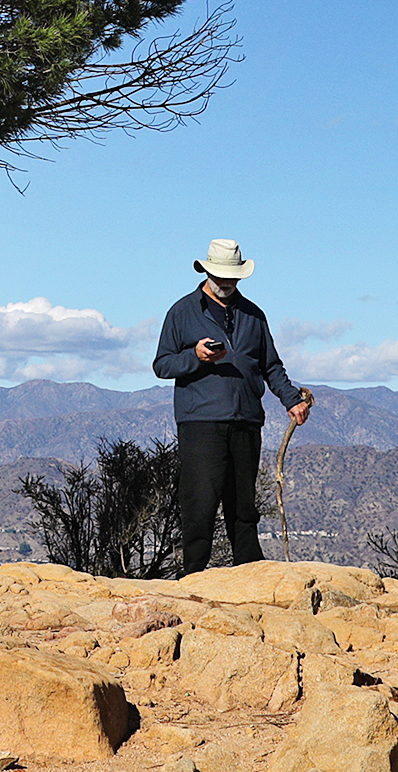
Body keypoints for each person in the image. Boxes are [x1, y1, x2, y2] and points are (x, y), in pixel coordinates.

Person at [151, 239, 310, 575]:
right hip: (201, 423)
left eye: (232, 276)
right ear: (207, 272)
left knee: (243, 508)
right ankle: (192, 578)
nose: (226, 282)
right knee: (200, 506)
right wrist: (195, 356)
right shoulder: (182, 312)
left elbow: (271, 366)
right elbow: (162, 365)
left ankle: (250, 576)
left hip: (246, 421)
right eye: (221, 275)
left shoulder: (254, 315)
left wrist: (291, 399)